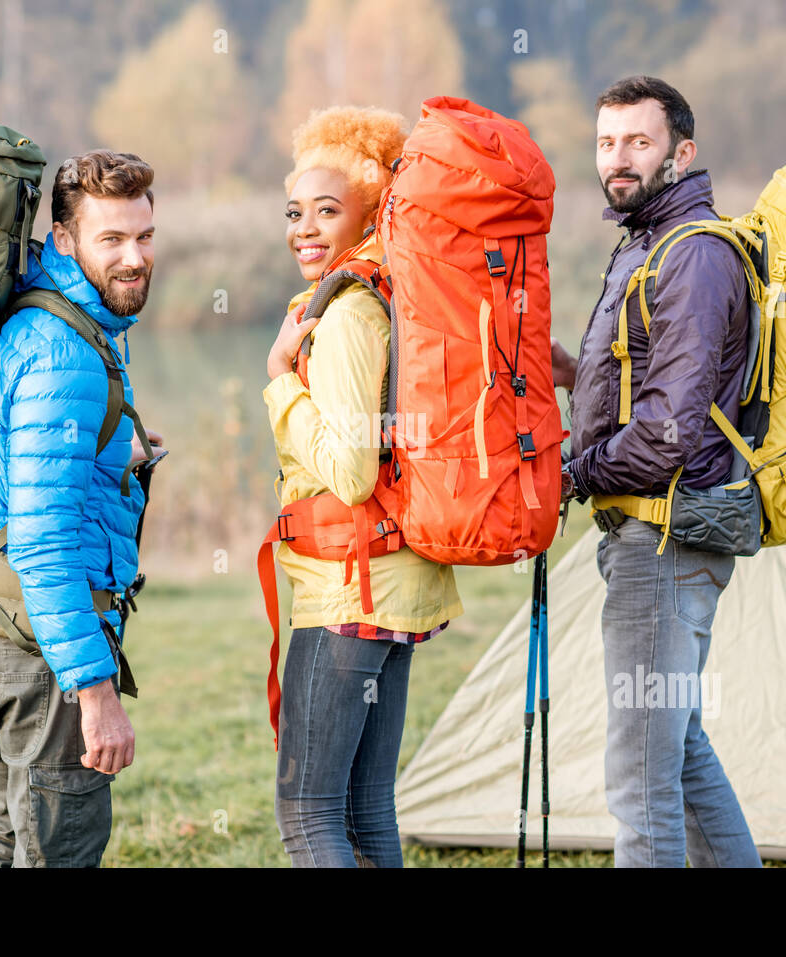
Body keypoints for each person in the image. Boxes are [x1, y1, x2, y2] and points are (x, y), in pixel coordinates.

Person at [551, 76, 761, 868]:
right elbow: (660, 385)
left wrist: (573, 473)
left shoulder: (694, 253)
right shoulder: (646, 241)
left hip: (665, 535)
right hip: (655, 532)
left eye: (638, 141)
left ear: (682, 151)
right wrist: (579, 378)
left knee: (640, 782)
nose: (618, 159)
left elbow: (670, 428)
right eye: (607, 143)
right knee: (677, 749)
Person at [0, 149, 162, 867]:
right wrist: (95, 691)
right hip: (42, 656)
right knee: (56, 855)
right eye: (112, 239)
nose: (135, 258)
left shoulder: (51, 318)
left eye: (144, 236)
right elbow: (44, 540)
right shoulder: (63, 351)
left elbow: (29, 477)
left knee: (3, 839)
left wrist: (116, 451)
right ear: (65, 240)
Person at [263, 106, 463, 867]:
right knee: (365, 806)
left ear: (371, 209)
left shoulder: (348, 315)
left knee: (309, 815)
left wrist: (281, 382)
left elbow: (348, 469)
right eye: (294, 211)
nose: (304, 229)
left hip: (348, 593)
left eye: (326, 210)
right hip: (393, 583)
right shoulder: (394, 292)